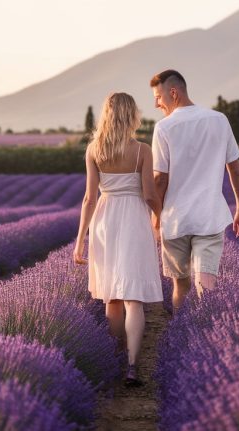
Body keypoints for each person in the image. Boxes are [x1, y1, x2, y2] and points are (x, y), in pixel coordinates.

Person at [73, 92, 163, 387]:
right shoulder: (141, 150)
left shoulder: (94, 149)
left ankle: (114, 359)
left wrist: (79, 240)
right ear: (132, 115)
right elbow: (150, 195)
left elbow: (89, 198)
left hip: (105, 219)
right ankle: (133, 366)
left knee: (111, 297)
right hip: (134, 217)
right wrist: (160, 216)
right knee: (133, 298)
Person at [149, 69, 239, 312]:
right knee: (206, 283)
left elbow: (160, 179)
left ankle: (181, 337)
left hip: (175, 219)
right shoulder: (219, 120)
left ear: (173, 93)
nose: (156, 103)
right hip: (209, 216)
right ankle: (205, 334)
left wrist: (155, 217)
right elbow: (234, 168)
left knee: (180, 286)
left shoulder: (164, 128)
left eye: (158, 97)